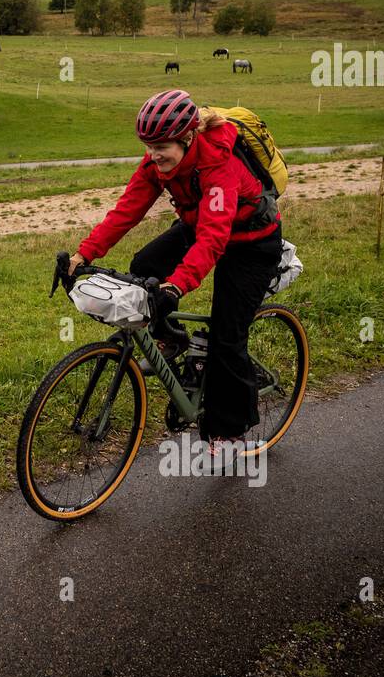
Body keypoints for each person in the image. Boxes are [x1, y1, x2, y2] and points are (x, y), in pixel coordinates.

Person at [68, 88, 282, 456]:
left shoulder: (218, 164)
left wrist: (176, 287)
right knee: (143, 267)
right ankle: (172, 338)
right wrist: (82, 253)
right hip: (202, 225)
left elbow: (214, 240)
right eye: (147, 145)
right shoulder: (157, 162)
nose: (152, 154)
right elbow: (127, 210)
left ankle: (228, 433)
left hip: (251, 243)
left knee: (226, 336)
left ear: (187, 138)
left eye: (161, 146)